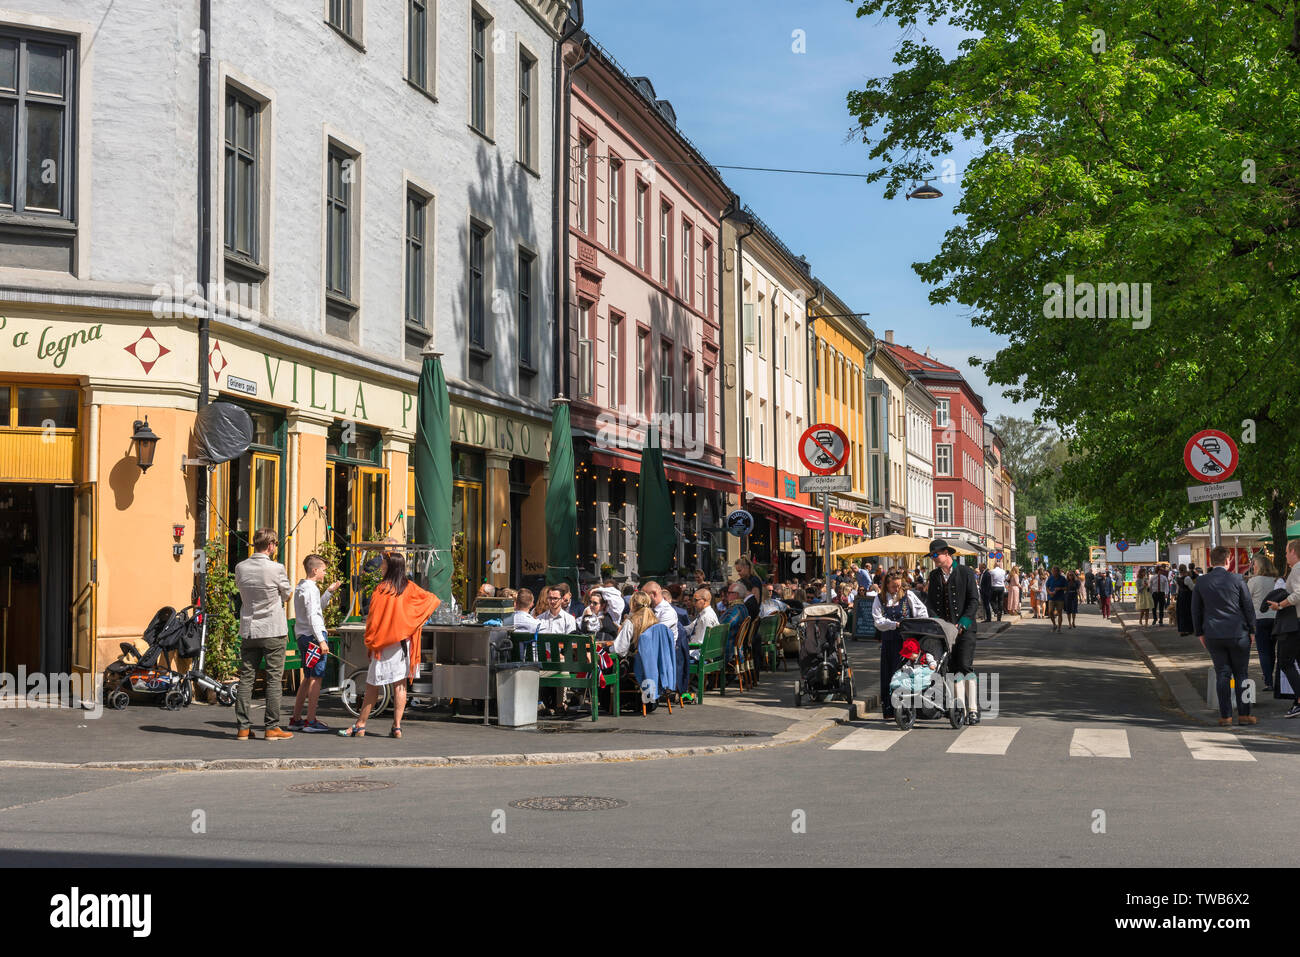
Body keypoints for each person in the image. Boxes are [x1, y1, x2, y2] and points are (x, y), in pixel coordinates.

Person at [339, 551, 439, 738]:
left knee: (372, 686)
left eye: (384, 563)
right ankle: (397, 726)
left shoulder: (382, 589)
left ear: (390, 566)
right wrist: (410, 623)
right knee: (399, 685)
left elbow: (373, 619)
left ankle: (360, 725)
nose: (381, 566)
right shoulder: (408, 587)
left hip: (384, 644)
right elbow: (431, 600)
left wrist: (371, 639)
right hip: (403, 644)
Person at [233, 528, 295, 741]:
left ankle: (243, 726)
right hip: (273, 629)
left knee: (246, 679)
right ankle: (271, 727)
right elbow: (287, 595)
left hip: (250, 629)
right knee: (273, 679)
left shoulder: (240, 567)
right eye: (275, 545)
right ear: (270, 545)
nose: (275, 548)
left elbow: (240, 589)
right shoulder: (276, 568)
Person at [1193, 545, 1257, 727]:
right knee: (1241, 674)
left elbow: (1196, 610)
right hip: (1238, 633)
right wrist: (1252, 630)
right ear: (1228, 560)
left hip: (1213, 633)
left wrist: (1200, 633)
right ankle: (1244, 715)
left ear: (1210, 561)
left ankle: (1226, 716)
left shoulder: (1202, 582)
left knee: (1222, 674)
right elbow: (1248, 607)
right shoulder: (1237, 579)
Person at [924, 540, 981, 724]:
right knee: (951, 667)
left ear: (946, 553)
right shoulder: (934, 576)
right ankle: (959, 709)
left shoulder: (965, 572)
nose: (933, 559)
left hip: (965, 630)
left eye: (935, 555)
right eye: (932, 556)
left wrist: (963, 622)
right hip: (945, 631)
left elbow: (973, 600)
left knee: (965, 666)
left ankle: (972, 709)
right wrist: (937, 623)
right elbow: (930, 603)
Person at [289, 553, 342, 733]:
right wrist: (321, 640)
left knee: (308, 676)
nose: (325, 573)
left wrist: (329, 592)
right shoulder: (311, 589)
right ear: (315, 570)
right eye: (324, 570)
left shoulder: (302, 587)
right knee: (316, 678)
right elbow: (313, 616)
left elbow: (315, 609)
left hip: (303, 635)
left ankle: (296, 718)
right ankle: (310, 720)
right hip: (313, 636)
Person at [873, 570, 929, 720]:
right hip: (889, 641)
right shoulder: (880, 599)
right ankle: (890, 710)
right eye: (893, 587)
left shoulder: (908, 596)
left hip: (907, 642)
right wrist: (894, 624)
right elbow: (878, 621)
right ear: (887, 586)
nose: (896, 589)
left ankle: (908, 708)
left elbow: (922, 612)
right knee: (888, 675)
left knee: (906, 674)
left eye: (898, 586)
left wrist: (916, 626)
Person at [1266, 540, 1300, 718]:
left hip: (1295, 624)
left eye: (1287, 552)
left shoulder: (1297, 569)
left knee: (1285, 661)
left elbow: (1298, 594)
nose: (1285, 556)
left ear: (1293, 552)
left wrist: (1280, 605)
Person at [1247, 554, 1283, 693]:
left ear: (1259, 566)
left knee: (1263, 650)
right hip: (1275, 618)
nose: (1252, 567)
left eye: (1254, 564)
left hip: (1259, 618)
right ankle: (1270, 675)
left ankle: (1268, 680)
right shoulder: (1276, 580)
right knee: (1271, 649)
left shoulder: (1253, 581)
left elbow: (1247, 600)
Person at [1045, 566, 1069, 632]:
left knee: (1059, 613)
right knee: (1050, 612)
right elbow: (1047, 586)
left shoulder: (1063, 578)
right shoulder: (1050, 578)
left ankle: (1059, 627)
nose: (1054, 572)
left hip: (1060, 598)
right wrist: (1049, 592)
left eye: (1055, 571)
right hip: (1051, 597)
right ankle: (1054, 624)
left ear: (1058, 572)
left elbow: (1067, 588)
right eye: (1053, 571)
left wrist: (1060, 588)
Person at [1175, 563, 1194, 634]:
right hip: (1187, 596)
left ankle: (1182, 629)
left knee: (1181, 612)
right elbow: (1192, 588)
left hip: (1180, 596)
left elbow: (1178, 588)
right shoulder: (1187, 578)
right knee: (1188, 612)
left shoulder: (1178, 577)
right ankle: (1189, 629)